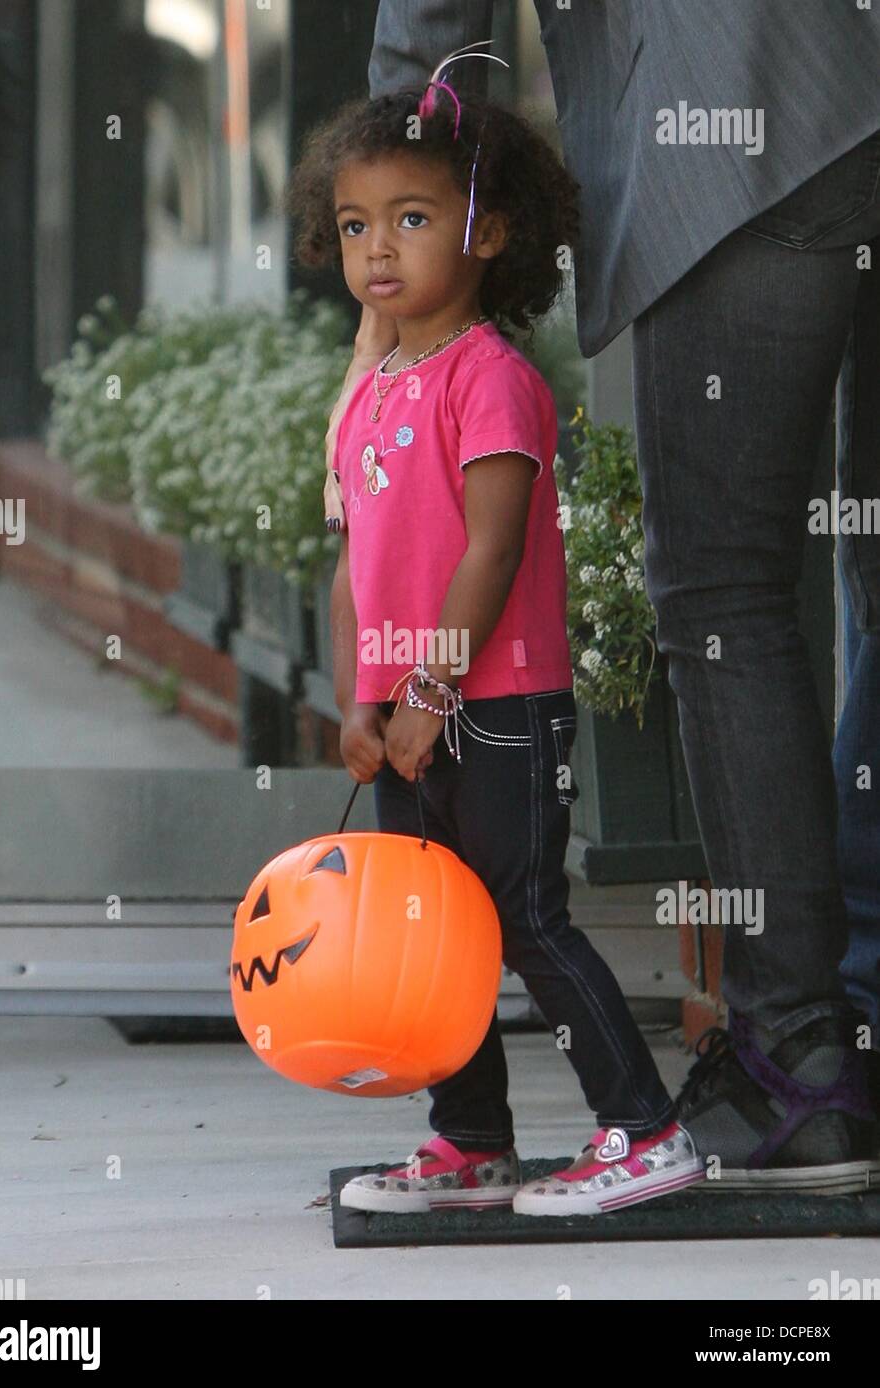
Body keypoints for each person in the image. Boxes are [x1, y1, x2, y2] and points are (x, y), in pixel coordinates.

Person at [340, 0, 880, 1195]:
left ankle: (796, 1055)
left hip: (748, 121)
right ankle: (841, 1034)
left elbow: (434, 29)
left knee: (724, 590)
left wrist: (391, 296)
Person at [286, 64, 708, 1215]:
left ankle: (644, 1128)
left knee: (520, 916)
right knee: (437, 930)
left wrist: (428, 687)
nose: (380, 250)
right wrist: (357, 700)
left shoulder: (494, 380)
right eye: (356, 225)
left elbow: (492, 549)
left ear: (490, 230)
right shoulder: (375, 390)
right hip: (409, 705)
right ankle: (470, 1141)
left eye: (412, 220)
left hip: (501, 700)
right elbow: (354, 569)